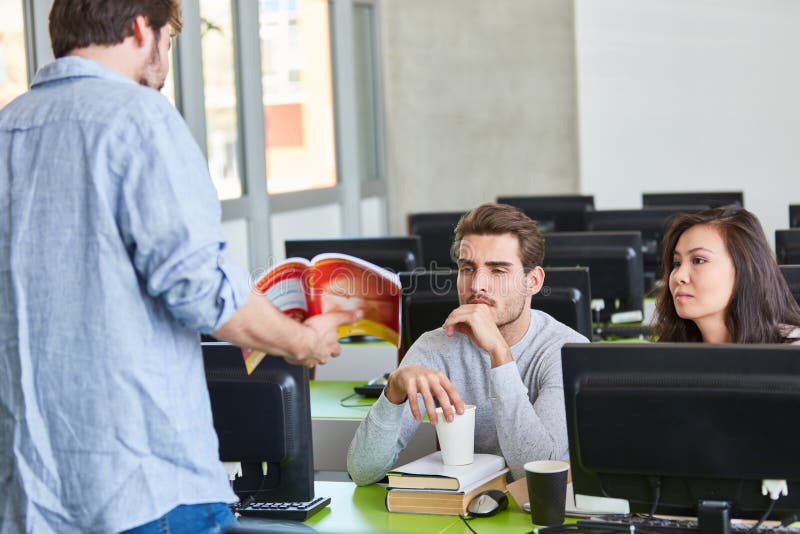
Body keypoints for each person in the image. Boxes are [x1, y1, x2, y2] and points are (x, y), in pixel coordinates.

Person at [0, 1, 360, 532]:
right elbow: (200, 289)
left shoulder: (9, 127)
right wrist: (302, 342)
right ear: (139, 29)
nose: (166, 63)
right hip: (144, 489)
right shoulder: (139, 118)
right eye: (167, 41)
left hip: (28, 497)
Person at [346, 203, 589, 484]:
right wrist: (393, 392)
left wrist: (499, 353)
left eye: (498, 271)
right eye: (467, 268)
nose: (477, 285)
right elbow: (361, 471)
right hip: (467, 505)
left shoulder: (566, 350)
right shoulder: (435, 347)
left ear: (533, 281)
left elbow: (536, 472)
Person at [655, 205, 800, 344]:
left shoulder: (792, 352)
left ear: (744, 269)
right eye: (677, 263)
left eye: (698, 260)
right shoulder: (668, 350)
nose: (678, 276)